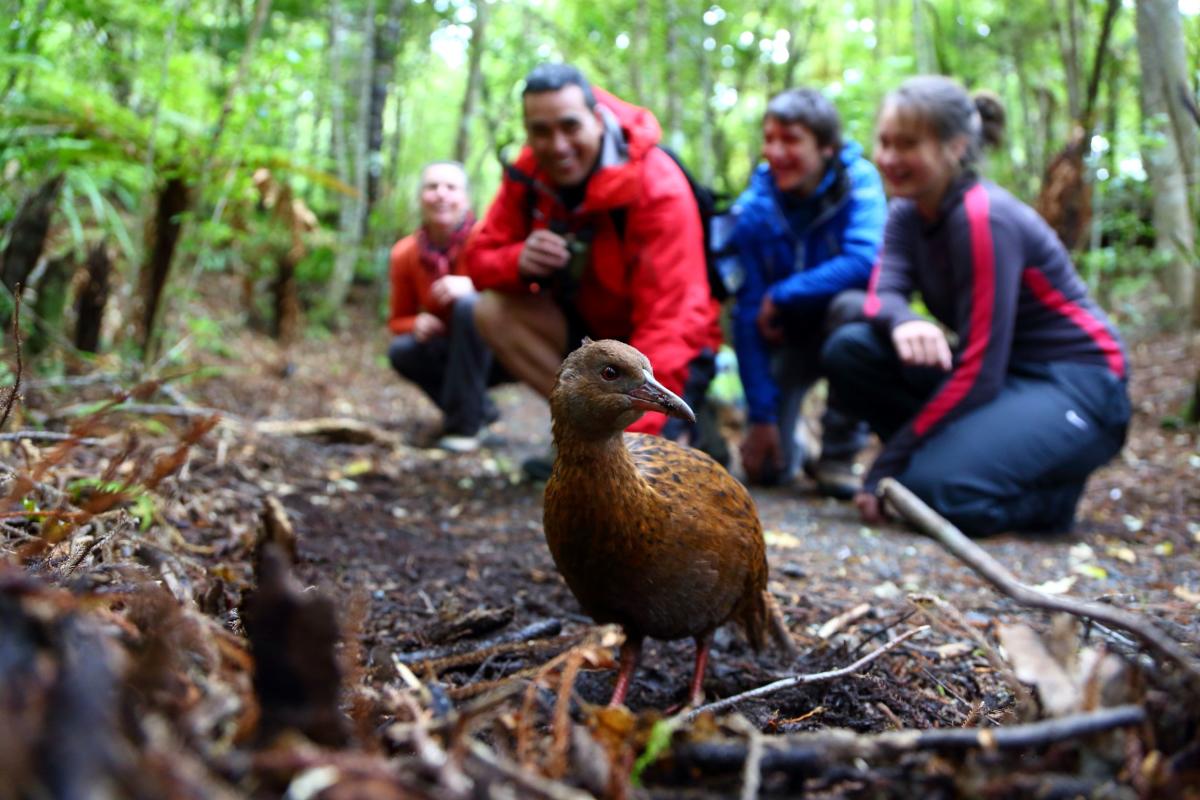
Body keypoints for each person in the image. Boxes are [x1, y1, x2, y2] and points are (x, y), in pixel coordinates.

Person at [822, 76, 1130, 535]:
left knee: (935, 495)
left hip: (1080, 386)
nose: (887, 158)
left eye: (907, 145)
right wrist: (904, 320)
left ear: (955, 147)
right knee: (852, 348)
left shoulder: (983, 219)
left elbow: (979, 373)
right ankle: (942, 460)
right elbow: (880, 295)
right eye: (883, 142)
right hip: (1006, 380)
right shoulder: (907, 211)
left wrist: (886, 466)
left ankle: (1050, 503)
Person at [465, 63, 722, 478]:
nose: (558, 145)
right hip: (589, 336)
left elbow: (675, 321)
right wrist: (517, 260)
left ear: (597, 120)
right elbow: (475, 259)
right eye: (541, 131)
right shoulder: (530, 170)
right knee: (489, 309)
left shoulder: (656, 185)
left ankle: (684, 425)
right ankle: (581, 442)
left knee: (664, 472)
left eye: (570, 127)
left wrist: (646, 440)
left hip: (668, 351)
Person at [728, 88, 887, 496]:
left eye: (790, 139)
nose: (775, 151)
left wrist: (782, 293)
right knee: (769, 473)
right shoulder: (755, 208)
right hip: (789, 341)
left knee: (854, 308)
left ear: (827, 146)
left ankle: (838, 452)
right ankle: (788, 435)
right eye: (769, 138)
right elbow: (748, 313)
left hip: (840, 330)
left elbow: (865, 261)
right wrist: (761, 417)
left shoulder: (859, 184)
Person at [387, 161, 502, 453]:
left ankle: (464, 427)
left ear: (464, 198)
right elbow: (397, 320)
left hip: (494, 352)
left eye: (451, 187)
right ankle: (478, 411)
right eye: (432, 187)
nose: (441, 194)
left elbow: (518, 298)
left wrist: (474, 286)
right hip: (444, 350)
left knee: (467, 306)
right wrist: (416, 323)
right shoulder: (405, 253)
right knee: (401, 351)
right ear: (420, 197)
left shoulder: (486, 238)